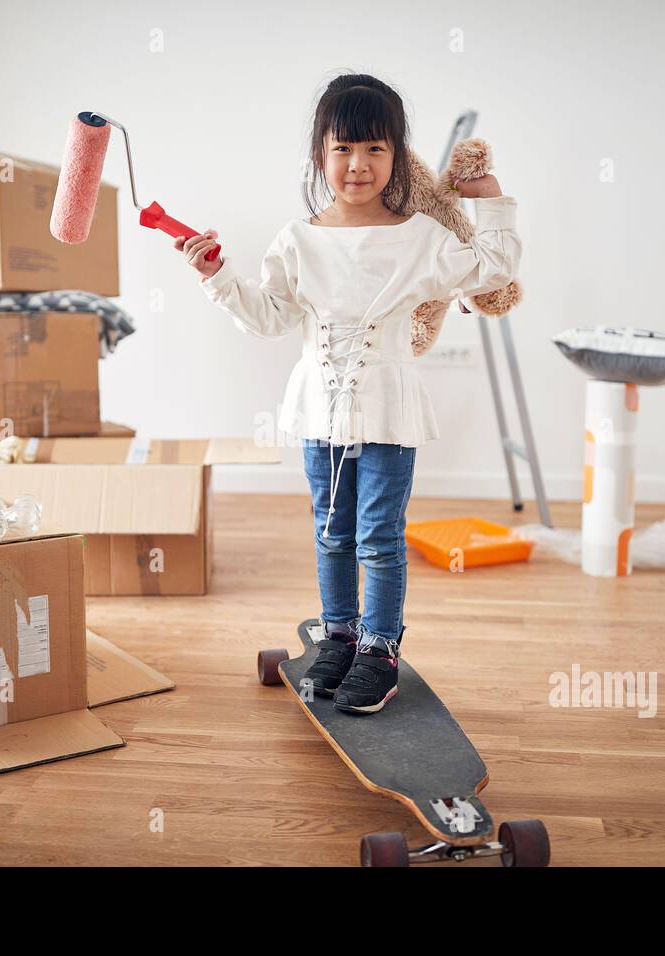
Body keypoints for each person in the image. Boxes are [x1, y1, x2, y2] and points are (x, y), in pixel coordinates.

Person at [177, 73, 521, 714]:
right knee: (331, 533)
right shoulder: (297, 240)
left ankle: (379, 649)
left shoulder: (419, 235)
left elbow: (494, 268)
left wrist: (492, 199)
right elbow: (270, 316)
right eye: (342, 149)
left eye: (374, 149)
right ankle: (338, 635)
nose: (358, 165)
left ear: (397, 156)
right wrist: (215, 276)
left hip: (389, 410)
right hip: (320, 411)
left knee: (379, 538)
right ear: (319, 156)